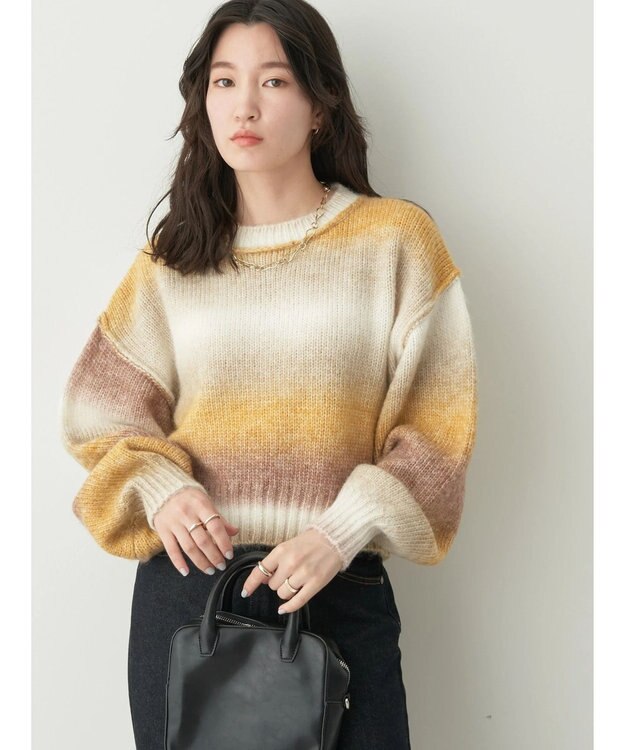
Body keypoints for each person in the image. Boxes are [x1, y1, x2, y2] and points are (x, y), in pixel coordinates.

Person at [60, 1, 478, 748]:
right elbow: (100, 409)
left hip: (336, 588)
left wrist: (340, 533)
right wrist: (161, 486)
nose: (243, 106)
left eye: (274, 81)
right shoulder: (172, 261)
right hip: (189, 597)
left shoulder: (394, 242)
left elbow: (437, 432)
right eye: (223, 81)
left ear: (321, 106)